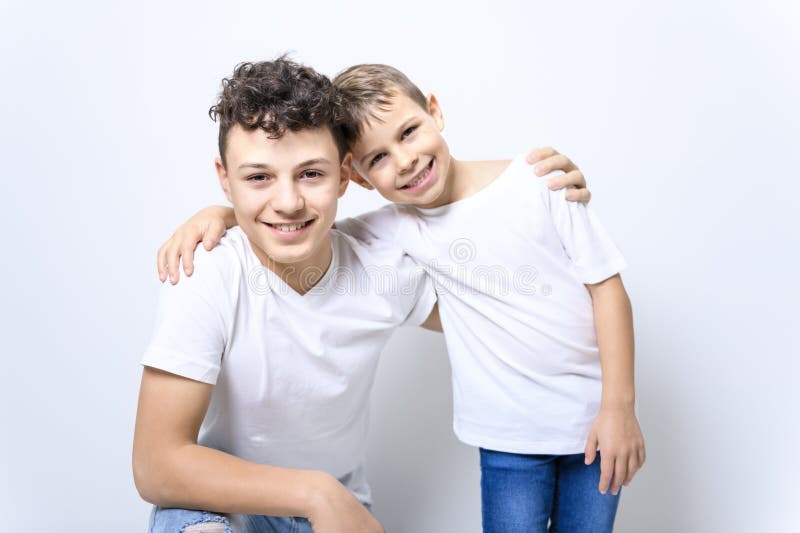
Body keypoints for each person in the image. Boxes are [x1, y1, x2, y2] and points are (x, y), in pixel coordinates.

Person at [166, 62, 645, 533]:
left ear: (434, 110)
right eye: (378, 158)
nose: (405, 160)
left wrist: (619, 407)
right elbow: (296, 223)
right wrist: (223, 214)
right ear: (356, 175)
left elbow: (604, 290)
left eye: (409, 132)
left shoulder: (535, 183)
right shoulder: (395, 229)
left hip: (586, 419)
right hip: (503, 441)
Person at [133, 58, 438, 533]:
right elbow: (156, 464)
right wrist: (315, 492)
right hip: (227, 508)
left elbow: (498, 312)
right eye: (258, 177)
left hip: (339, 512)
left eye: (310, 174)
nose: (289, 201)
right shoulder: (206, 270)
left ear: (343, 175)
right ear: (225, 178)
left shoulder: (379, 268)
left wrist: (527, 187)